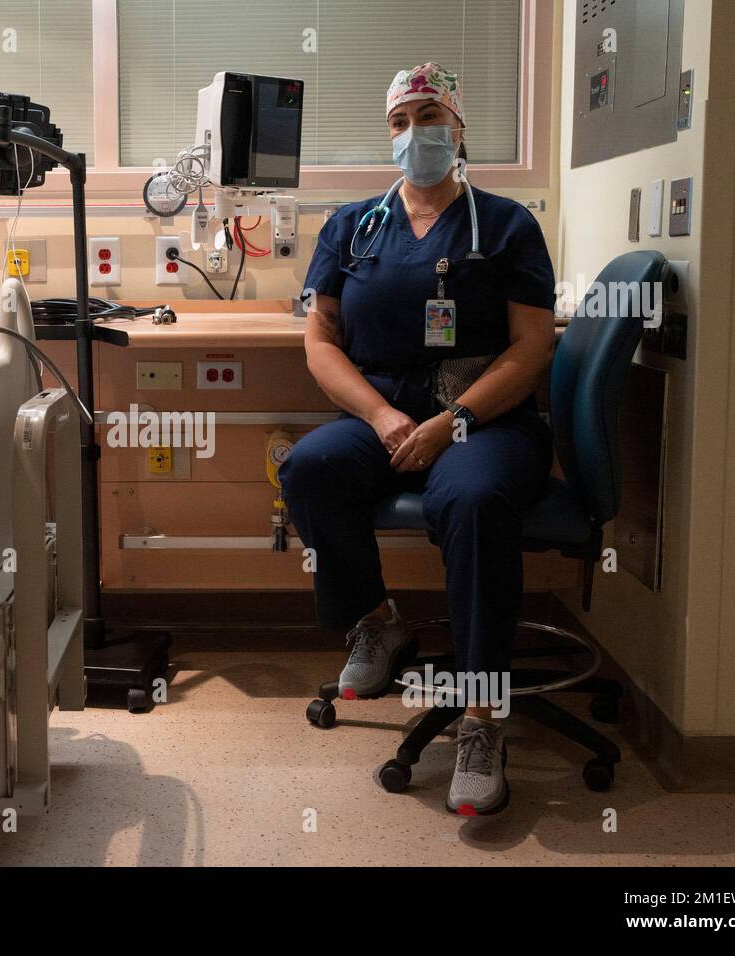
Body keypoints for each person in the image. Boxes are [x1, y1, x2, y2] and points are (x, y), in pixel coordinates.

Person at [280, 62, 557, 815]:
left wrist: (454, 421)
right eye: (400, 122)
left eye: (429, 117)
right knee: (309, 469)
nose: (414, 135)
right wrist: (379, 417)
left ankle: (480, 716)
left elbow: (532, 347)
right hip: (388, 410)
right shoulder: (353, 226)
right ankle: (377, 622)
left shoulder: (505, 224)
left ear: (459, 129)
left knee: (473, 500)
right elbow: (321, 339)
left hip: (484, 418)